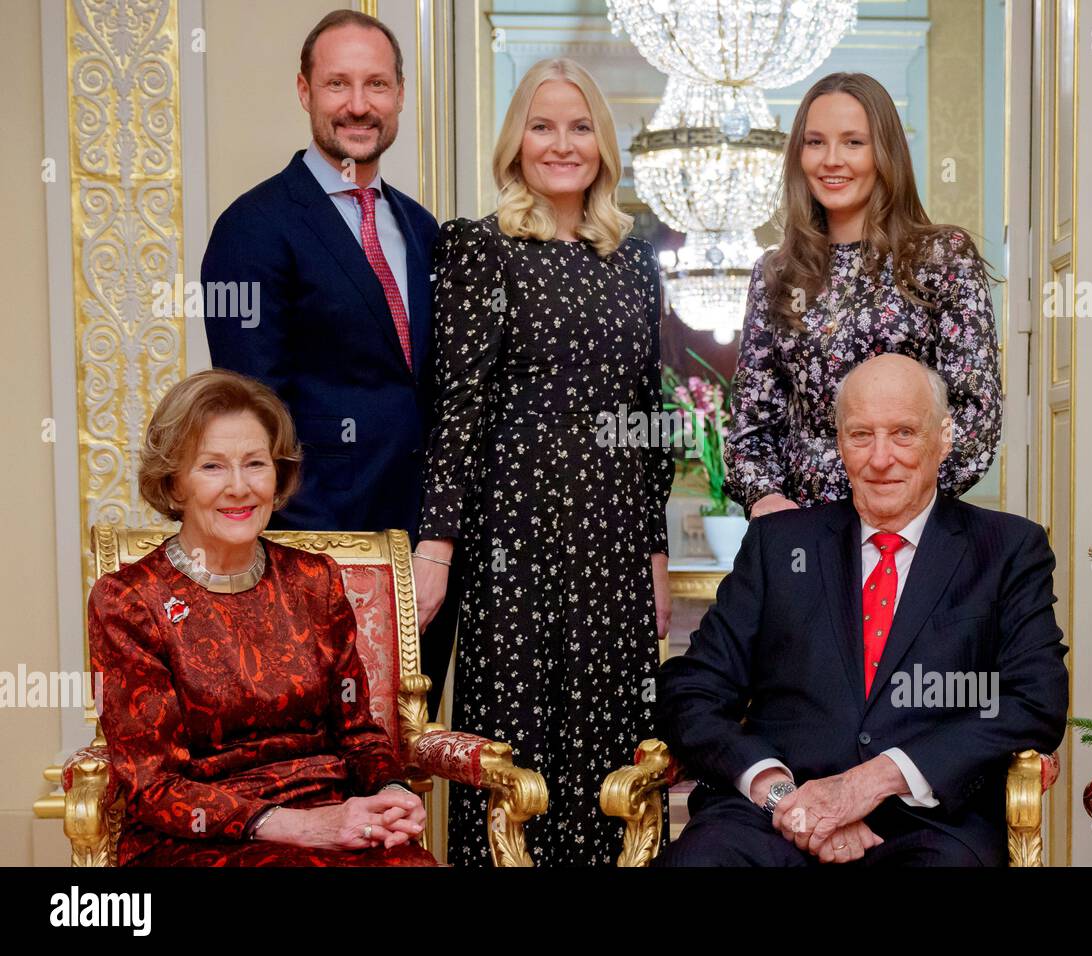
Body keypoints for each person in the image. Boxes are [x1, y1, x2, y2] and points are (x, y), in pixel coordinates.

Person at [411, 57, 674, 866]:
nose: (562, 144)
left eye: (581, 125)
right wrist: (436, 548)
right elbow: (457, 413)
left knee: (613, 752)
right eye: (542, 125)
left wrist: (655, 551)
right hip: (513, 545)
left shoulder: (635, 260)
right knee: (517, 752)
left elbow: (648, 415)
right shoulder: (477, 249)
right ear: (515, 142)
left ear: (604, 143)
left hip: (614, 546)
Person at [655, 354, 1068, 866]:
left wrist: (872, 781)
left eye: (903, 434)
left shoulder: (1006, 549)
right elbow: (690, 690)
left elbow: (1036, 701)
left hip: (928, 823)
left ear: (944, 439)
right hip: (771, 819)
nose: (880, 458)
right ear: (839, 443)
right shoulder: (778, 545)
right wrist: (778, 793)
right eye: (860, 435)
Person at [200, 9, 459, 704]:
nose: (358, 104)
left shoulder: (421, 227)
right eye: (337, 83)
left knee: (400, 772)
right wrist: (316, 563)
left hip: (420, 559)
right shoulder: (251, 227)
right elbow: (250, 419)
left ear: (400, 94)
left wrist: (433, 544)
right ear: (304, 91)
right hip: (310, 562)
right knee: (318, 782)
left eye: (376, 84)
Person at [89, 370, 435, 866]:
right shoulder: (129, 601)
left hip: (334, 815)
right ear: (173, 483)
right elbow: (153, 786)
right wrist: (302, 828)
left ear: (279, 476)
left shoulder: (314, 580)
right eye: (211, 466)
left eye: (255, 464)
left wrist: (391, 792)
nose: (239, 487)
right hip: (198, 838)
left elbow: (358, 734)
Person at [725, 72, 1002, 520]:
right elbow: (750, 424)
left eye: (853, 142)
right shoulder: (775, 273)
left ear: (885, 152)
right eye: (815, 142)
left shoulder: (942, 257)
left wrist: (897, 494)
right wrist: (765, 498)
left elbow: (977, 413)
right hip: (802, 532)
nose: (832, 160)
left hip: (911, 531)